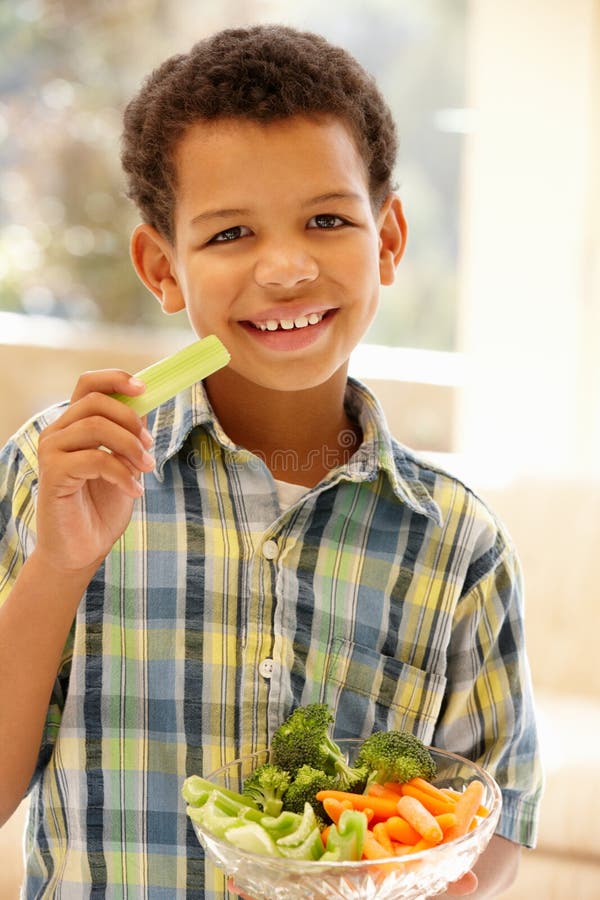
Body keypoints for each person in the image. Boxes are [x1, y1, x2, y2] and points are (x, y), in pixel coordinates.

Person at [0, 23, 542, 899]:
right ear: (161, 266)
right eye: (229, 235)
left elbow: (501, 816)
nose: (286, 268)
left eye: (327, 220)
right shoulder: (56, 471)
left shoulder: (458, 542)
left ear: (389, 238)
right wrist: (59, 565)